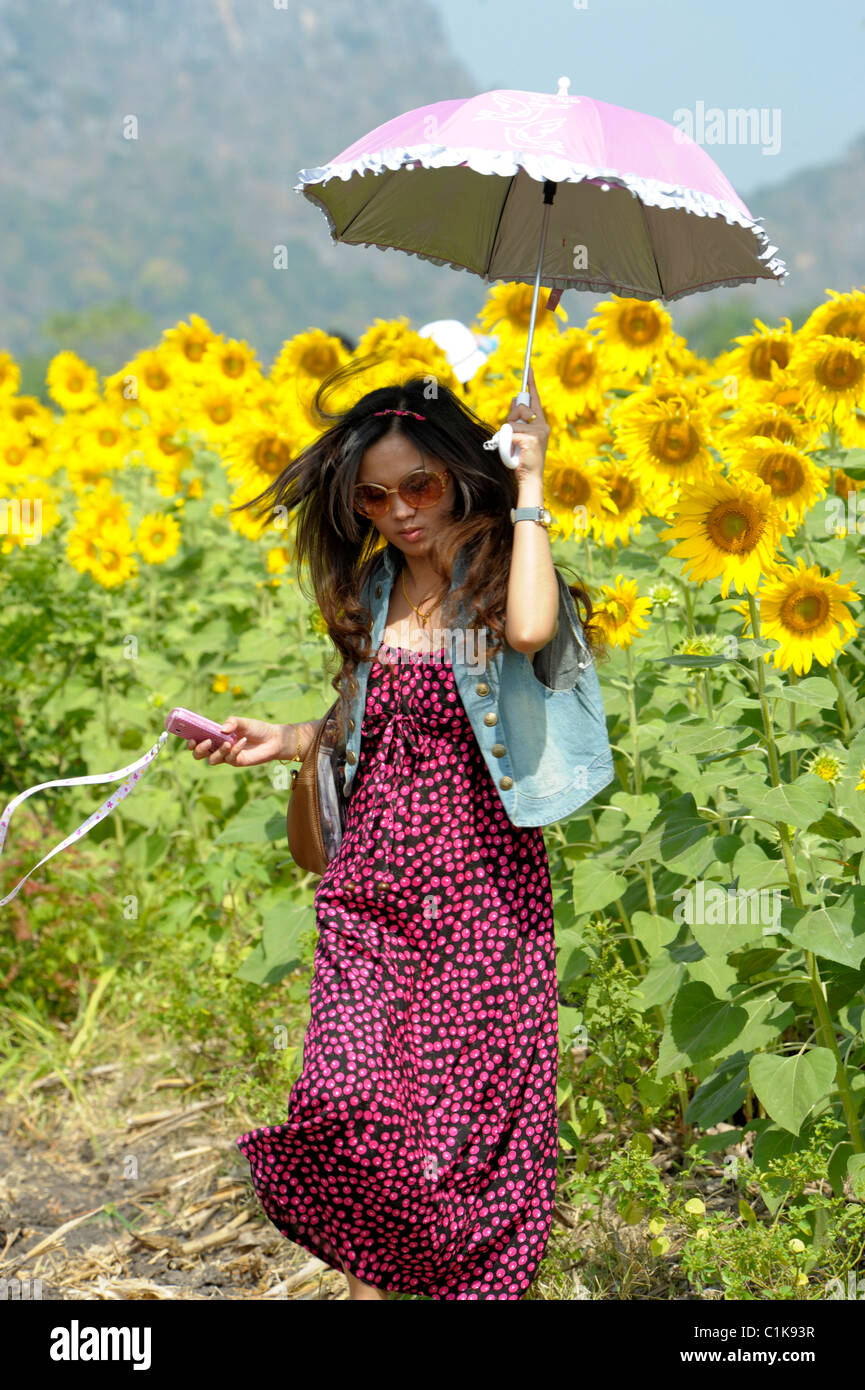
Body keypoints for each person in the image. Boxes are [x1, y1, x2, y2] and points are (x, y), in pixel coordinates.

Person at [184, 356, 613, 1300]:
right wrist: (289, 736)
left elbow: (534, 632)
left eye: (416, 485)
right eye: (374, 499)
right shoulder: (376, 592)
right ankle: (383, 1277)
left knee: (454, 1123)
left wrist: (533, 479)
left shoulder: (502, 566)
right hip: (371, 882)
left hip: (477, 889)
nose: (399, 511)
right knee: (342, 1098)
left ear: (457, 470)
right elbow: (373, 721)